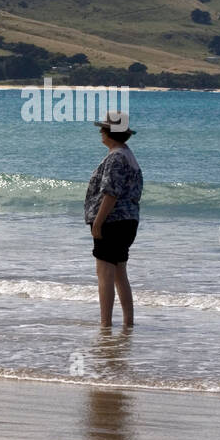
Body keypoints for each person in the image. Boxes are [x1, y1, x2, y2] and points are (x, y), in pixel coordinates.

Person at [84, 109, 142, 327]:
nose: (100, 133)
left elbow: (110, 192)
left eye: (103, 129)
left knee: (105, 273)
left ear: (109, 133)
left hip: (113, 221)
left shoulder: (116, 157)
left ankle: (105, 324)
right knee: (119, 272)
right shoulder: (128, 155)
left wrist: (98, 222)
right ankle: (128, 323)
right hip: (128, 221)